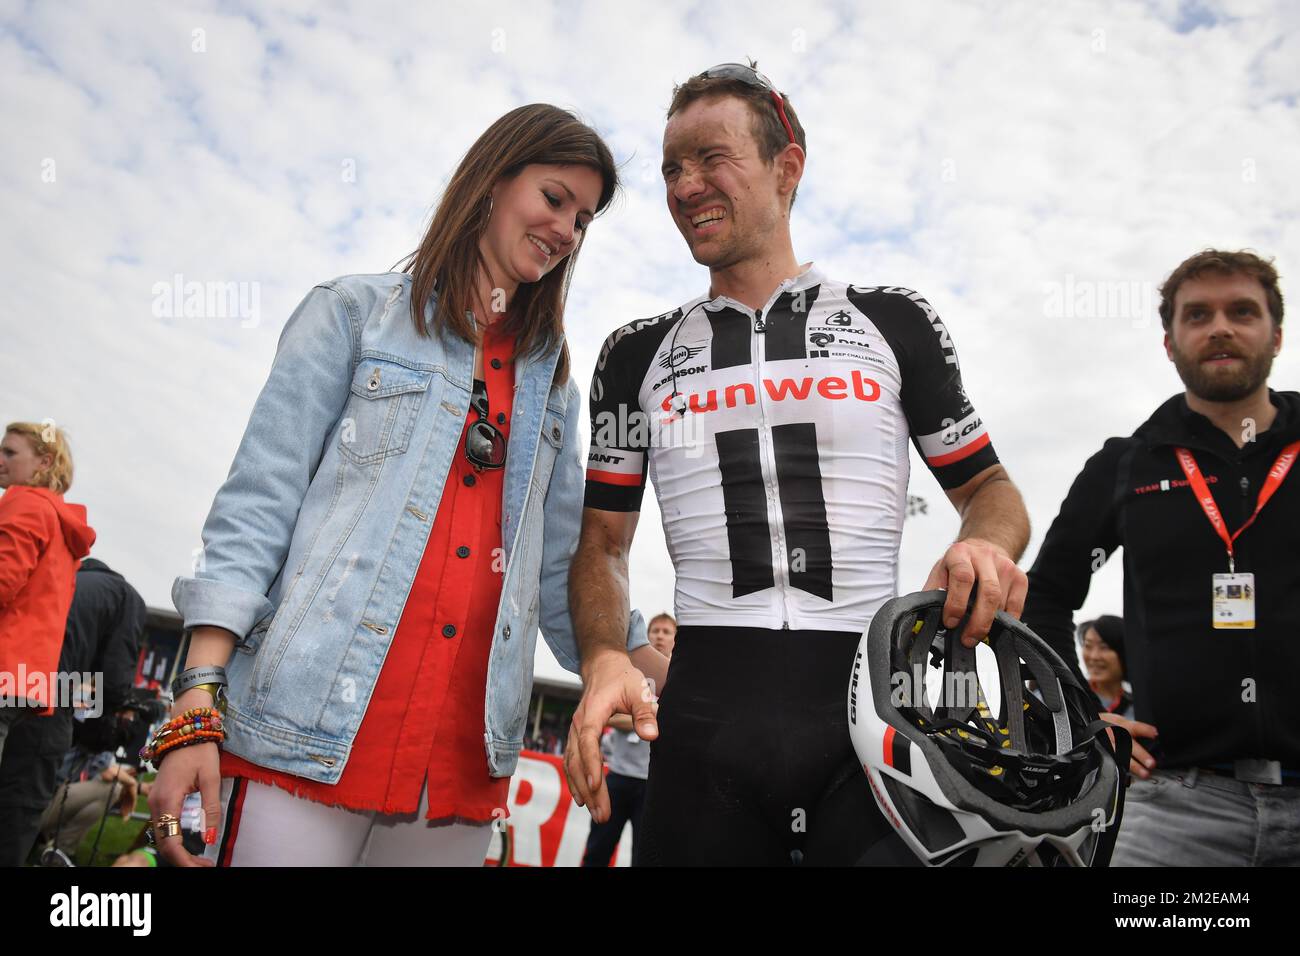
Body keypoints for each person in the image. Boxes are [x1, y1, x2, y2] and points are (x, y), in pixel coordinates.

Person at [150, 104, 660, 867]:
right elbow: (258, 508)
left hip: (460, 769)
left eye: (582, 220)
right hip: (302, 739)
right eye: (554, 199)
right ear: (492, 181)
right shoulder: (350, 315)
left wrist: (662, 674)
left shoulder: (550, 382)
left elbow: (561, 566)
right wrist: (197, 695)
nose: (565, 230)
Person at [566, 63, 1031, 865]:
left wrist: (985, 544)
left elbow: (990, 488)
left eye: (712, 158)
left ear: (787, 167)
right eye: (672, 168)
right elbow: (603, 543)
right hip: (704, 725)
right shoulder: (633, 353)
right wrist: (606, 653)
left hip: (870, 718)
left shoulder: (894, 321)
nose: (685, 186)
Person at [1022, 249, 1300, 866]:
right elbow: (1045, 595)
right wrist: (1085, 716)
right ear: (1170, 344)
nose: (1220, 327)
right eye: (1197, 315)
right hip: (1178, 808)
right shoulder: (1125, 465)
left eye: (1242, 312)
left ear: (1276, 336)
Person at [0, 557, 145, 866]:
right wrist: (106, 717)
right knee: (21, 804)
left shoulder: (60, 578)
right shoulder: (126, 597)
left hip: (13, 680)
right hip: (44, 697)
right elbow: (114, 683)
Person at [0, 422, 95, 762]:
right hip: (26, 676)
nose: (0, 459)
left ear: (44, 462)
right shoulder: (58, 520)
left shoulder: (25, 502)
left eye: (10, 452)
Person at [580, 612, 675, 866]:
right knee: (598, 849)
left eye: (666, 632)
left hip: (653, 784)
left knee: (644, 856)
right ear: (646, 635)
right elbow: (608, 714)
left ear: (675, 640)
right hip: (618, 777)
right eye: (655, 630)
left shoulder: (678, 681)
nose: (660, 636)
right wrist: (655, 715)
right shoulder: (627, 672)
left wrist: (634, 713)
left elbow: (678, 724)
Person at [1078, 616, 1133, 720]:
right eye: (1088, 646)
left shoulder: (1140, 709)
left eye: (1104, 647)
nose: (1094, 656)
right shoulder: (1072, 698)